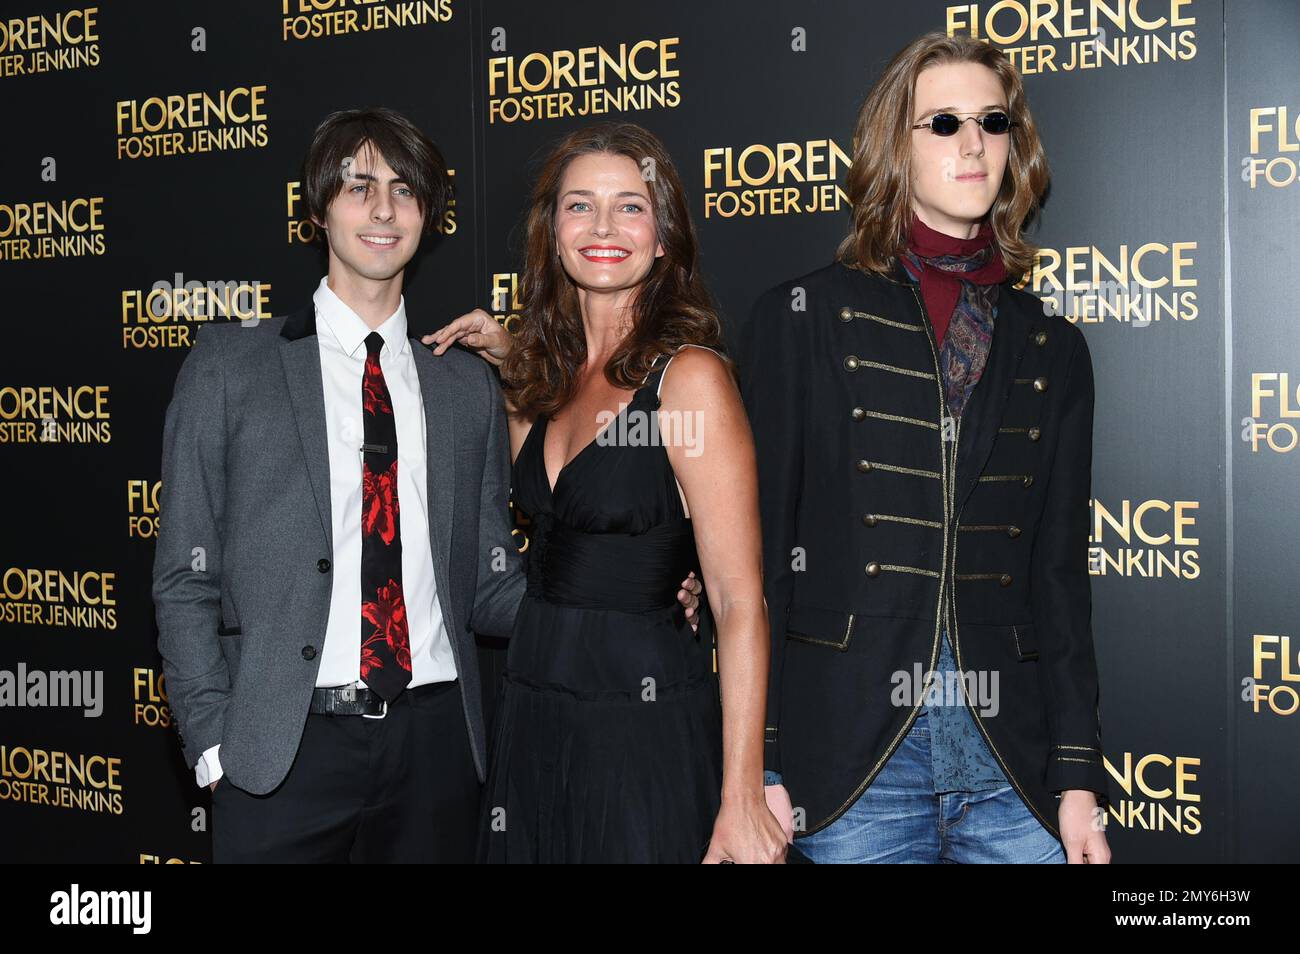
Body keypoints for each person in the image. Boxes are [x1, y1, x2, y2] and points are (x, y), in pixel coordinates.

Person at [151, 107, 701, 863]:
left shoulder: (460, 386)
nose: (383, 209)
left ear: (428, 216)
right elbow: (184, 577)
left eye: (406, 190)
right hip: (280, 753)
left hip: (439, 752)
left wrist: (632, 590)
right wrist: (212, 739)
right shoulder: (228, 368)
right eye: (358, 187)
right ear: (318, 210)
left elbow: (486, 581)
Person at [743, 33, 1116, 863]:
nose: (974, 142)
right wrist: (757, 762)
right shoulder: (803, 319)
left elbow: (1058, 581)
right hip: (852, 765)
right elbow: (759, 561)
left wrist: (1080, 781)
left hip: (1011, 767)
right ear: (892, 147)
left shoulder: (1054, 350)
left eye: (993, 120)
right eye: (942, 122)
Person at [423, 121, 786, 863]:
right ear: (552, 232)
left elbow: (739, 601)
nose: (602, 226)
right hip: (532, 707)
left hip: (642, 722)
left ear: (663, 236)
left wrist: (742, 795)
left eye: (630, 206)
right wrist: (507, 354)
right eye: (579, 205)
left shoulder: (690, 379)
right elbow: (550, 497)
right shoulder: (547, 381)